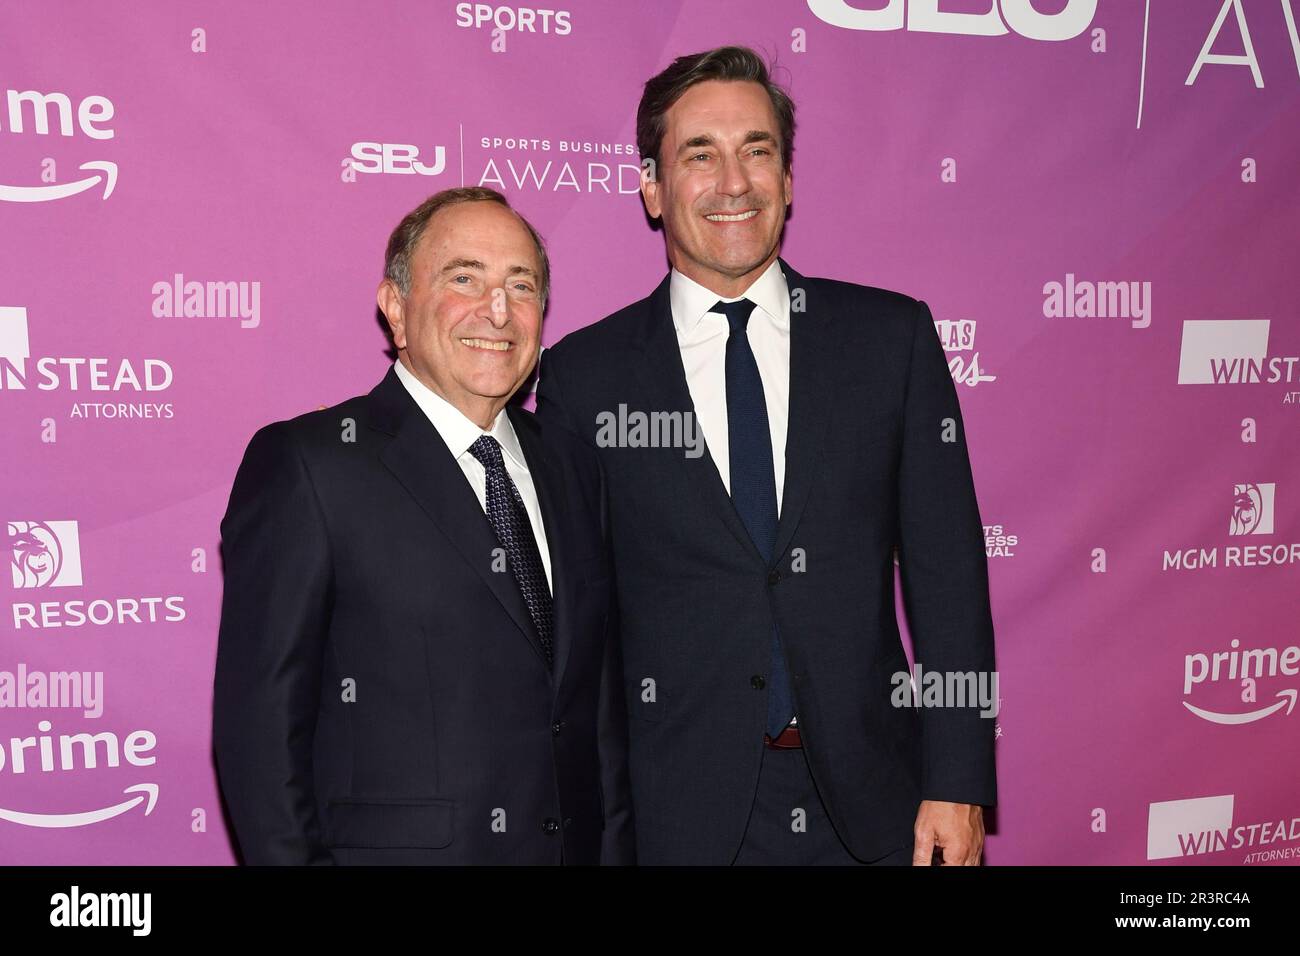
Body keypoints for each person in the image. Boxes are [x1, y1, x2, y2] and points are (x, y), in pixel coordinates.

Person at [537, 47, 996, 865]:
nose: (733, 182)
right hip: (675, 815)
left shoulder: (889, 341)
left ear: (787, 180)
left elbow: (949, 575)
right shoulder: (583, 373)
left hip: (875, 805)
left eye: (757, 150)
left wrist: (957, 780)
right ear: (652, 186)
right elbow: (583, 621)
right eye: (699, 155)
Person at [213, 187, 633, 865]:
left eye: (519, 285)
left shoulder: (575, 467)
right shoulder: (312, 466)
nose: (497, 311)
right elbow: (260, 738)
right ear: (396, 309)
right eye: (463, 278)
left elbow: (599, 719)